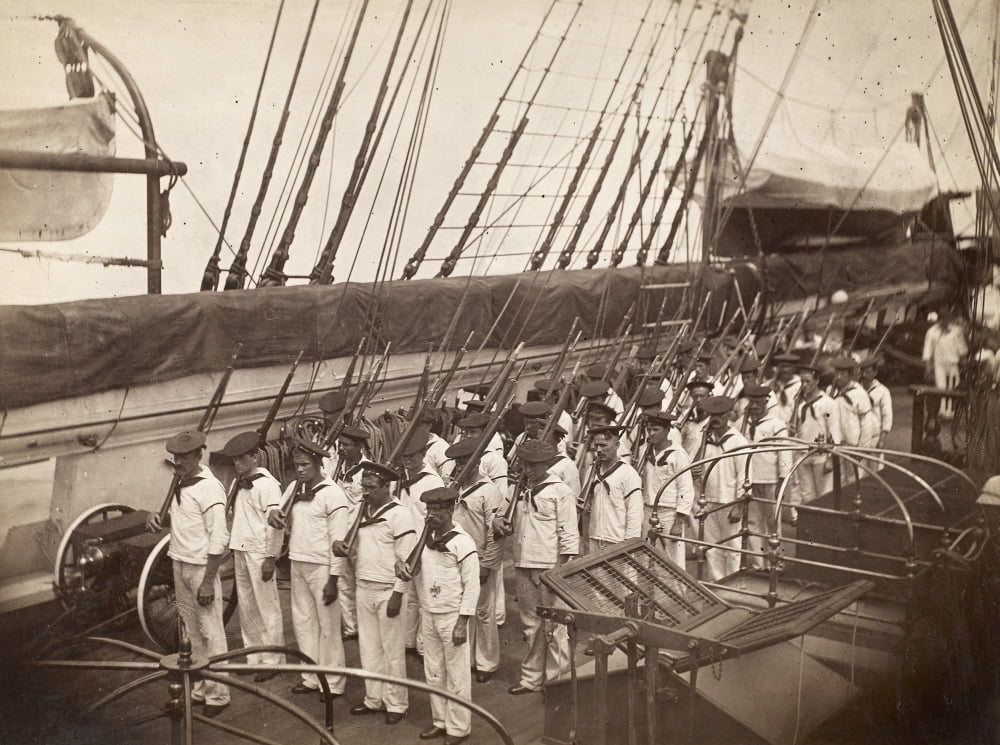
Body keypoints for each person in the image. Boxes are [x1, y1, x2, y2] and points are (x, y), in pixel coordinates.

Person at [145, 430, 230, 716]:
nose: (177, 462)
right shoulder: (181, 482)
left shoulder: (210, 488)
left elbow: (219, 538)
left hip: (200, 568)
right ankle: (200, 688)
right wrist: (158, 519)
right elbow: (185, 522)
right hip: (179, 563)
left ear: (198, 455)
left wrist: (208, 580)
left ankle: (218, 693)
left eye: (183, 457)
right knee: (191, 630)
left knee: (211, 630)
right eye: (175, 457)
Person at [332, 461, 416, 724]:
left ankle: (396, 704)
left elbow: (408, 561)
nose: (365, 492)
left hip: (388, 590)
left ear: (386, 487)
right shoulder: (359, 510)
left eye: (370, 487)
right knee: (368, 648)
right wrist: (338, 545)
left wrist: (398, 594)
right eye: (363, 486)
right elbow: (342, 539)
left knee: (391, 650)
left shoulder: (399, 515)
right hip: (363, 586)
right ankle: (373, 698)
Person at [268, 438, 350, 701]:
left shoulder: (333, 494)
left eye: (305, 464)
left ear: (318, 463)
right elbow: (278, 516)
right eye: (296, 465)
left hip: (323, 567)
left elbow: (339, 540)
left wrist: (334, 580)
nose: (300, 469)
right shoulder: (293, 488)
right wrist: (273, 515)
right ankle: (311, 677)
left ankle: (334, 682)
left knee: (328, 626)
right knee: (303, 621)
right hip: (298, 562)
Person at [398, 487, 480, 745]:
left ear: (450, 510)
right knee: (433, 671)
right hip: (428, 612)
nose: (431, 514)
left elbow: (472, 585)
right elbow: (414, 568)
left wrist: (463, 621)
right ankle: (440, 720)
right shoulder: (424, 539)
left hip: (452, 615)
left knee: (457, 674)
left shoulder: (462, 542)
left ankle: (458, 727)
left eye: (437, 510)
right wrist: (402, 566)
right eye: (429, 509)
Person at [497, 439, 579, 695]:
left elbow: (568, 535)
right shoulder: (517, 489)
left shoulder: (560, 491)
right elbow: (501, 515)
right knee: (531, 624)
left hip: (549, 567)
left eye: (535, 465)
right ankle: (531, 679)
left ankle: (558, 682)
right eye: (525, 465)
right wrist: (498, 522)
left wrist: (557, 571)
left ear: (547, 464)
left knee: (555, 626)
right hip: (524, 563)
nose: (529, 470)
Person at [222, 431, 284, 682]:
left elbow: (276, 524)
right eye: (235, 460)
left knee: (266, 607)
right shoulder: (237, 483)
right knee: (247, 607)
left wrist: (271, 557)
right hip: (241, 549)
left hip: (260, 552)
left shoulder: (268, 485)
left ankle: (273, 661)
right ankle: (254, 657)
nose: (238, 464)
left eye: (242, 459)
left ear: (255, 457)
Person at [445, 437, 503, 683]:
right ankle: (466, 659)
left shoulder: (489, 491)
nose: (460, 466)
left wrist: (488, 563)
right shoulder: (453, 487)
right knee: (462, 610)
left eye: (465, 461)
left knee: (484, 612)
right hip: (457, 557)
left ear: (478, 461)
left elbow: (496, 533)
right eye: (457, 462)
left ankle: (486, 663)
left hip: (480, 558)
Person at [400, 428, 445, 656]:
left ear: (423, 454)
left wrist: (420, 550)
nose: (408, 460)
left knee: (426, 599)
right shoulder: (401, 479)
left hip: (424, 547)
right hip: (403, 546)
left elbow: (434, 521)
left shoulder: (432, 481)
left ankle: (423, 645)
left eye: (412, 456)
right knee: (408, 596)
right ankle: (408, 640)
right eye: (404, 456)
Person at [737, 386, 792, 568]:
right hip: (749, 481)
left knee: (772, 523)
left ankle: (776, 561)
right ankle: (758, 563)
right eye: (751, 402)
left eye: (759, 403)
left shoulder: (776, 425)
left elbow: (784, 455)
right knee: (752, 522)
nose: (755, 406)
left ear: (766, 403)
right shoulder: (741, 423)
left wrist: (783, 481)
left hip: (770, 480)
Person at [695, 397, 750, 581]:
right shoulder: (704, 439)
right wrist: (702, 440)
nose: (715, 419)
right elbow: (695, 467)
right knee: (711, 545)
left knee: (733, 546)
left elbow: (745, 474)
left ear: (728, 415)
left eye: (720, 415)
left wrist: (739, 504)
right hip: (709, 500)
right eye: (712, 415)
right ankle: (717, 582)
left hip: (730, 500)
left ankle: (734, 583)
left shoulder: (738, 441)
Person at [332, 424, 373, 640]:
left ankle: (366, 626)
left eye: (346, 445)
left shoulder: (368, 471)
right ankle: (351, 627)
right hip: (339, 531)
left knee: (361, 580)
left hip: (360, 534)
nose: (341, 449)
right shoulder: (337, 466)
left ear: (359, 447)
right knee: (343, 580)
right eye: (340, 445)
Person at [640, 413, 694, 568]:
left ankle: (677, 592)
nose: (651, 433)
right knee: (648, 558)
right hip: (648, 510)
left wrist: (679, 521)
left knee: (673, 560)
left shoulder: (678, 454)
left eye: (656, 429)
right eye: (649, 429)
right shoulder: (645, 450)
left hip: (670, 513)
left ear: (667, 430)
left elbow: (686, 487)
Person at [790, 361, 841, 518]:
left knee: (823, 493)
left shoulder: (827, 403)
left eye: (808, 382)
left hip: (821, 454)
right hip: (803, 453)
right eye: (802, 382)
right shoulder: (800, 403)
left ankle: (824, 523)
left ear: (817, 381)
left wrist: (831, 458)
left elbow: (834, 430)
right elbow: (797, 428)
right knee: (807, 494)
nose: (805, 385)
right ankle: (811, 522)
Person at [583, 425, 644, 554]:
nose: (599, 450)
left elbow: (635, 512)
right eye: (597, 445)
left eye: (604, 445)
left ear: (616, 445)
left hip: (618, 541)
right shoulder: (592, 471)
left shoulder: (628, 474)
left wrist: (630, 544)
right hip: (595, 537)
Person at [922, 309, 968, 420]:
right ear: (940, 319)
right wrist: (928, 366)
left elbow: (962, 348)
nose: (946, 321)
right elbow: (927, 350)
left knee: (953, 388)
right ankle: (943, 412)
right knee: (941, 388)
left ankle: (951, 412)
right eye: (943, 318)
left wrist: (963, 359)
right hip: (939, 364)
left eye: (948, 318)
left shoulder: (957, 330)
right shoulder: (932, 332)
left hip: (953, 363)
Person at [860, 357, 893, 454]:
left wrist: (882, 439)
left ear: (875, 373)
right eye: (863, 372)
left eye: (868, 372)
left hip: (874, 435)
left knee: (873, 467)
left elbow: (887, 415)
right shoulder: (856, 390)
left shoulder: (882, 391)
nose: (864, 375)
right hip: (858, 435)